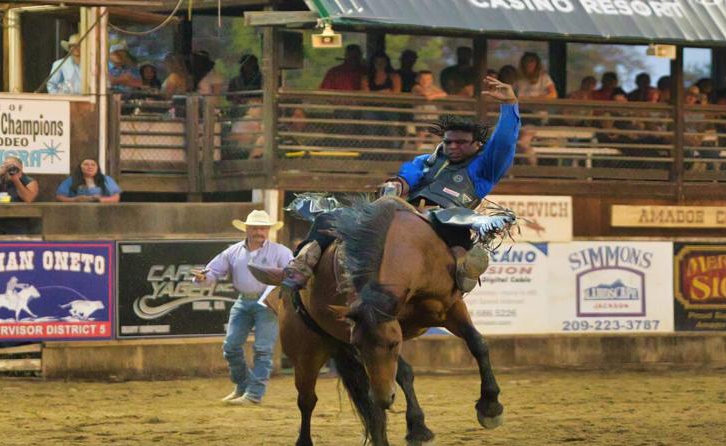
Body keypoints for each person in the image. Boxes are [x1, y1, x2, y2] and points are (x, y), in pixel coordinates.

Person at [281, 74, 520, 296]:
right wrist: (397, 185)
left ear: (477, 145)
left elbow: (504, 143)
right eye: (449, 142)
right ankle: (301, 264)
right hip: (401, 209)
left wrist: (509, 106)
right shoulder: (427, 160)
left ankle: (463, 268)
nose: (453, 147)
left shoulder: (484, 168)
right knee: (329, 218)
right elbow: (408, 174)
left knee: (456, 237)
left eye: (461, 143)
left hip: (447, 217)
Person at [192, 209, 292, 406]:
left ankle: (253, 394)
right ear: (247, 229)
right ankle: (243, 387)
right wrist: (202, 278)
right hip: (244, 300)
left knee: (263, 349)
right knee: (231, 347)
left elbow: (294, 273)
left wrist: (282, 294)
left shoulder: (280, 252)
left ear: (268, 230)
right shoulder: (233, 251)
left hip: (268, 303)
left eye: (263, 228)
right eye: (255, 228)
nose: (259, 232)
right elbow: (211, 272)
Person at [55, 157, 122, 202]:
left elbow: (116, 197)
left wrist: (100, 199)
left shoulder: (106, 179)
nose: (90, 167)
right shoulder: (71, 180)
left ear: (97, 168)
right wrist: (75, 199)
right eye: (86, 164)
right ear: (80, 167)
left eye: (93, 165)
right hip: (77, 211)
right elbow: (59, 197)